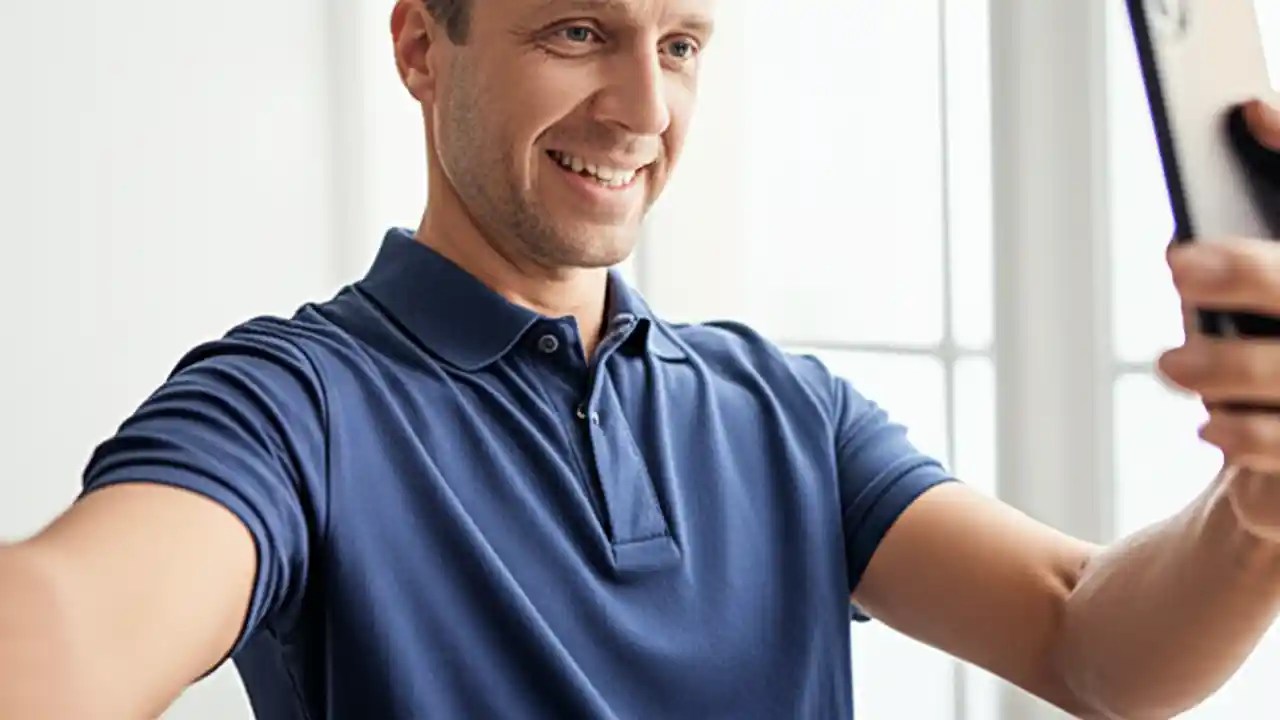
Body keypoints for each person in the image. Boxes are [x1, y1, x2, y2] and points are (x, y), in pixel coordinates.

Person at [4, 0, 1280, 717]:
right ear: (416, 48)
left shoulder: (781, 408)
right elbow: (66, 624)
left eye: (677, 45)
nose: (642, 109)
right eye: (573, 31)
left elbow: (1089, 644)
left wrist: (1259, 502)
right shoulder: (294, 407)